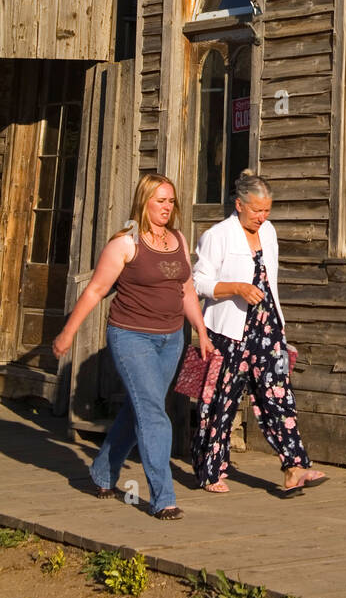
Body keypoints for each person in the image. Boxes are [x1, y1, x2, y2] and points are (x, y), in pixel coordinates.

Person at [52, 174, 212, 520]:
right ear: (144, 202)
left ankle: (102, 474)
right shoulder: (125, 243)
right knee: (154, 413)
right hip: (131, 336)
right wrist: (68, 333)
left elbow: (185, 289)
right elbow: (96, 290)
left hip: (171, 338)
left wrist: (200, 329)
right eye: (159, 201)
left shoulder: (179, 239)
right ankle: (163, 498)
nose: (166, 207)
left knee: (141, 407)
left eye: (170, 201)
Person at [191, 169, 326, 495]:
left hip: (268, 330)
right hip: (229, 332)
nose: (262, 217)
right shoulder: (217, 235)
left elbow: (269, 280)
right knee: (221, 401)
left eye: (267, 210)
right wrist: (235, 287)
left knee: (278, 398)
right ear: (239, 205)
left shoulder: (268, 232)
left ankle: (295, 467)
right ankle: (210, 472)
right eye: (257, 211)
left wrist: (278, 322)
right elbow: (198, 282)